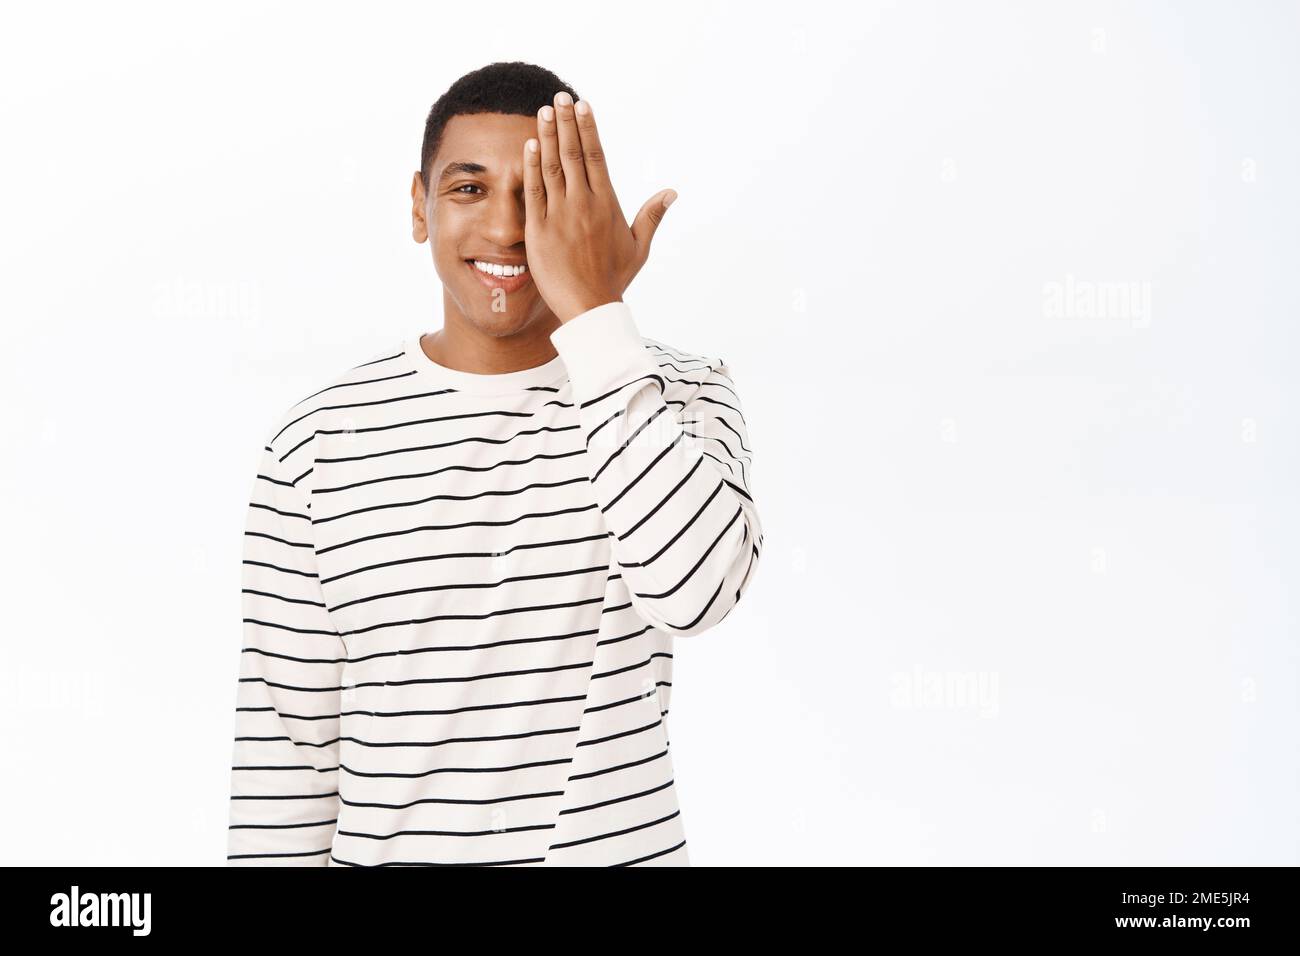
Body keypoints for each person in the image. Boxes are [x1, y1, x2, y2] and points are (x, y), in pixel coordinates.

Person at [225, 61, 763, 866]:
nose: (508, 229)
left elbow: (697, 595)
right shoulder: (316, 443)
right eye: (469, 189)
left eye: (542, 193)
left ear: (588, 211)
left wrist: (596, 315)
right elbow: (288, 758)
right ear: (419, 206)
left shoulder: (677, 394)